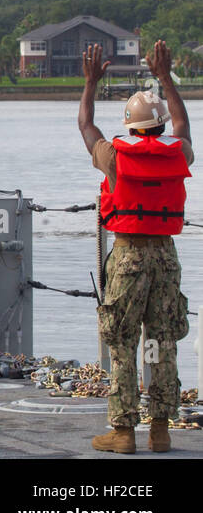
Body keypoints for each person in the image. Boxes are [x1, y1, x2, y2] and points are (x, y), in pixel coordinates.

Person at [79, 40, 192, 454]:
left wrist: (91, 83)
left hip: (127, 255)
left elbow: (86, 128)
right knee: (162, 340)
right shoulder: (177, 153)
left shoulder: (114, 157)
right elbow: (183, 128)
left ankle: (123, 432)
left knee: (123, 343)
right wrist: (165, 78)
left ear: (130, 127)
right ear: (159, 127)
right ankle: (160, 429)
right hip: (166, 255)